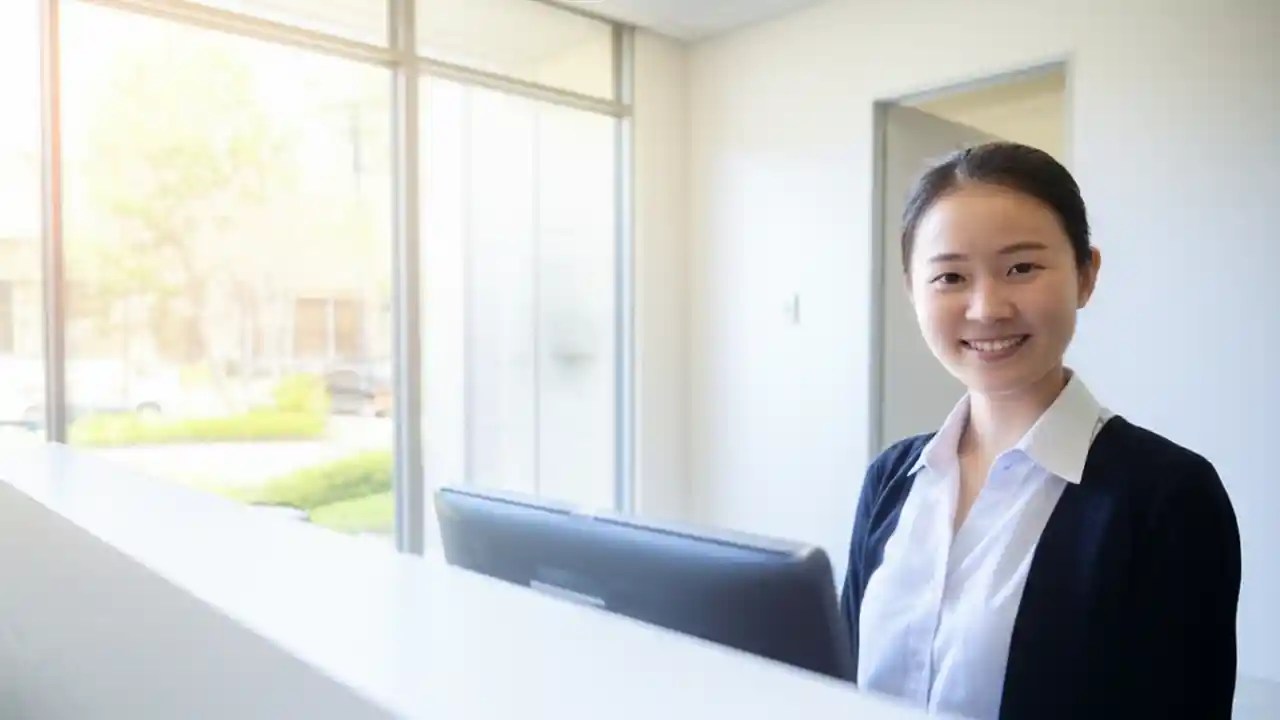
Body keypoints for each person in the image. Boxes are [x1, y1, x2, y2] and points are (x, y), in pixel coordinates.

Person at [840, 142, 1240, 720]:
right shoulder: (892, 478)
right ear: (913, 291)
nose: (986, 308)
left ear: (1085, 274)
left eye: (1021, 268)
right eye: (950, 276)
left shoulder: (1167, 495)